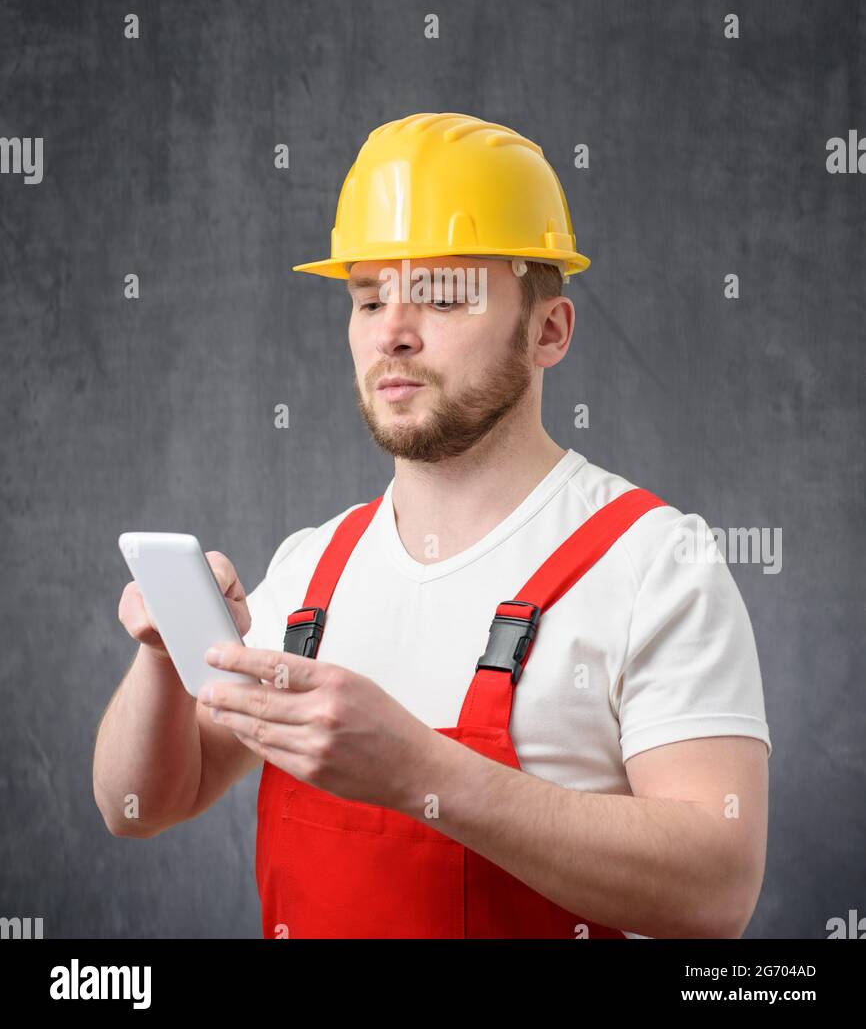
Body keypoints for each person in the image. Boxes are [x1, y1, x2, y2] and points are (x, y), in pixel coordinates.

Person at [94, 110, 771, 940]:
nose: (393, 333)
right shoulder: (312, 570)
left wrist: (421, 772)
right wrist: (161, 659)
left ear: (548, 332)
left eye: (443, 297)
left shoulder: (656, 562)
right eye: (369, 296)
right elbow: (144, 804)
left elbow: (716, 893)